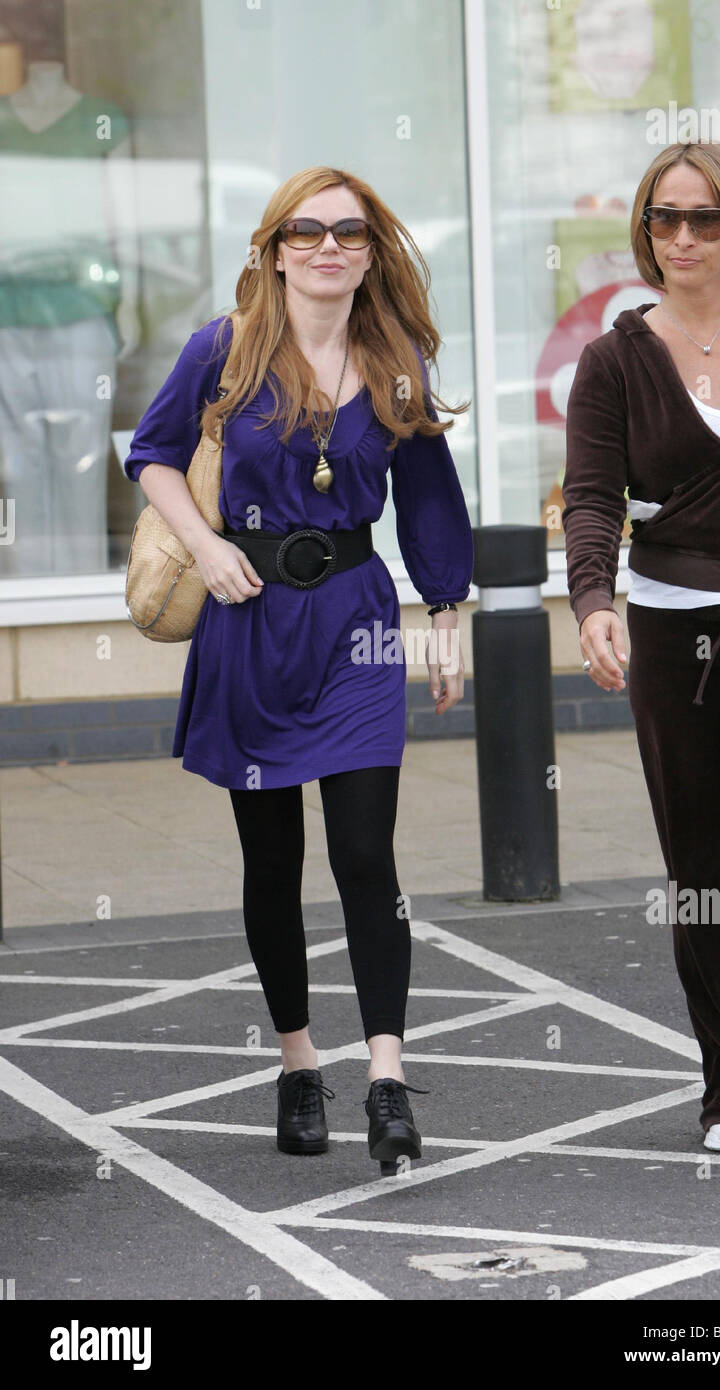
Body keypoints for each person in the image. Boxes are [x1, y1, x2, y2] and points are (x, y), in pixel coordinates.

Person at [123, 166, 474, 1173]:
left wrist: (444, 608)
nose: (328, 247)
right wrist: (205, 545)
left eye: (349, 233)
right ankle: (296, 1063)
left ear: (369, 254)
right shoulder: (223, 350)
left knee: (366, 854)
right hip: (249, 619)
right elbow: (151, 453)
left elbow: (428, 492)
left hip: (356, 625)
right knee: (271, 860)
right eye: (307, 231)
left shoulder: (395, 361)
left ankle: (387, 1079)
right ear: (274, 250)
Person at [562, 140, 720, 1156]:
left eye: (704, 218)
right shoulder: (614, 361)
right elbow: (590, 499)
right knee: (702, 865)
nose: (681, 237)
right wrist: (592, 600)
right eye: (662, 218)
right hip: (673, 631)